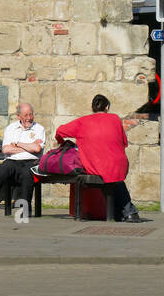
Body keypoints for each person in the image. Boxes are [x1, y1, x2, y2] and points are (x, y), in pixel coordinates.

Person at [53, 94, 144, 223]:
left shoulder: (82, 122)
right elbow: (124, 143)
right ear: (107, 107)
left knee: (108, 179)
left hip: (97, 166)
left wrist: (61, 141)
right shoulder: (115, 119)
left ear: (92, 108)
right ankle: (127, 212)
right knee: (115, 181)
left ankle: (127, 212)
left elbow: (60, 131)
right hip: (120, 166)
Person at [0, 103, 45, 216]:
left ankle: (26, 208)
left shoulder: (39, 129)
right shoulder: (10, 129)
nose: (29, 118)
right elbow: (5, 149)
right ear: (19, 116)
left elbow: (37, 148)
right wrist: (29, 147)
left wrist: (17, 144)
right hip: (12, 161)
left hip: (31, 161)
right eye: (26, 115)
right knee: (0, 172)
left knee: (27, 173)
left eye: (31, 114)